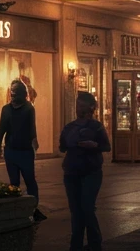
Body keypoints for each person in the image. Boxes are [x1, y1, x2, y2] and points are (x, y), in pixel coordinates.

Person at [59, 91, 109, 251]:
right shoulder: (69, 127)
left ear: (90, 107)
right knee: (75, 210)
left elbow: (106, 146)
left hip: (91, 171)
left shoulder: (96, 126)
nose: (78, 108)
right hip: (71, 171)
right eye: (77, 105)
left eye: (81, 105)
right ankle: (76, 244)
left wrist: (94, 146)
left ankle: (95, 242)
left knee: (87, 207)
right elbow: (62, 146)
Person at [0, 80, 46, 222]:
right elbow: (2, 129)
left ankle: (34, 208)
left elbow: (32, 128)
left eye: (15, 94)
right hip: (11, 150)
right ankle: (16, 209)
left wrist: (34, 141)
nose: (13, 97)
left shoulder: (28, 108)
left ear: (23, 95)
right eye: (12, 95)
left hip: (24, 151)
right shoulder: (6, 109)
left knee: (30, 180)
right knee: (14, 182)